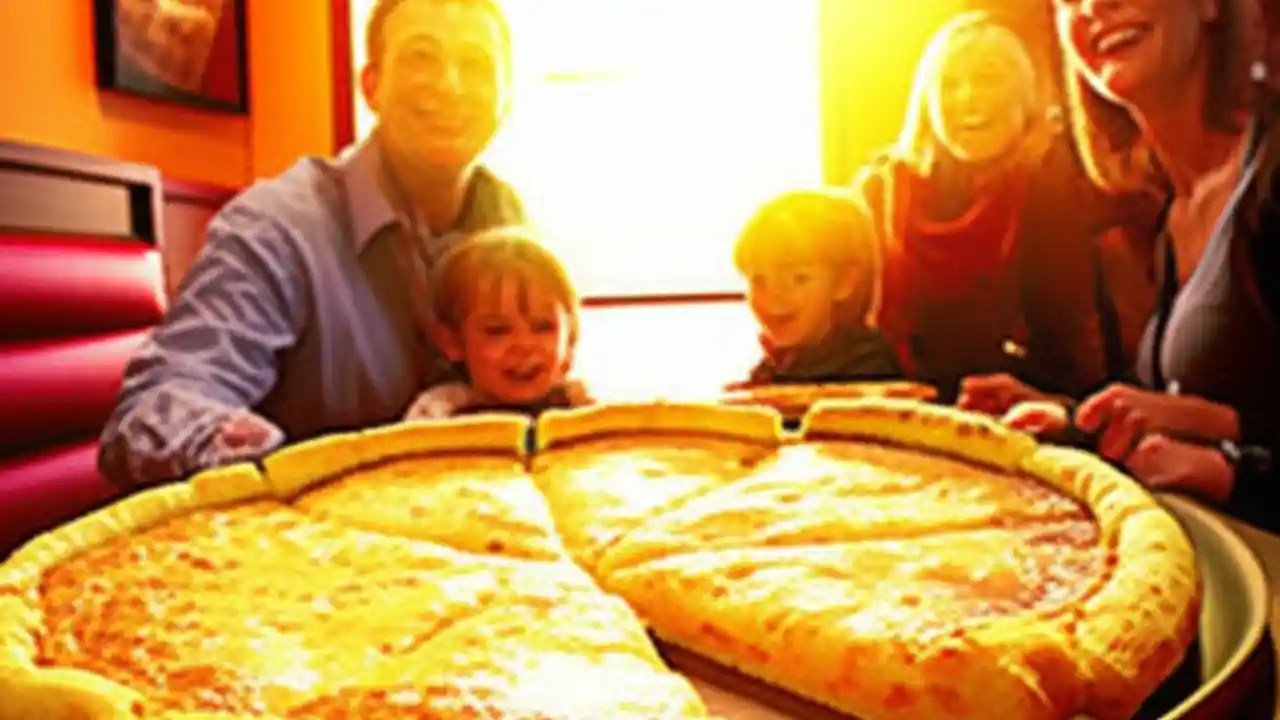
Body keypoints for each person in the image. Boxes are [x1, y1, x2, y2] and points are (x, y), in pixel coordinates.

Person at [98, 0, 526, 487]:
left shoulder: (510, 226)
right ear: (372, 87)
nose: (450, 84)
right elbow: (154, 411)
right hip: (304, 528)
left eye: (475, 64)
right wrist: (286, 469)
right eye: (421, 57)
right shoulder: (276, 226)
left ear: (506, 98)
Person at [966, 0, 1278, 530]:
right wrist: (1074, 418)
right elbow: (1203, 413)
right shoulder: (1174, 214)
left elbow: (1230, 442)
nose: (1094, 6)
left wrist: (1228, 472)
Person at [855, 11, 1116, 404]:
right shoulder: (881, 192)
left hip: (1025, 410)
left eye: (988, 79)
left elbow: (1078, 352)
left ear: (1025, 94)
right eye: (949, 84)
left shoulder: (1058, 186)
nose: (968, 98)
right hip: (899, 408)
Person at [402, 228, 591, 418]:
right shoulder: (437, 413)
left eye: (544, 327)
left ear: (570, 340)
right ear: (452, 342)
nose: (525, 345)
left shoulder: (579, 406)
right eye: (498, 331)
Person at [729, 188, 900, 387]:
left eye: (798, 279)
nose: (774, 296)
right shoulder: (775, 365)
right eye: (759, 280)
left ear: (842, 283)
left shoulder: (868, 364)